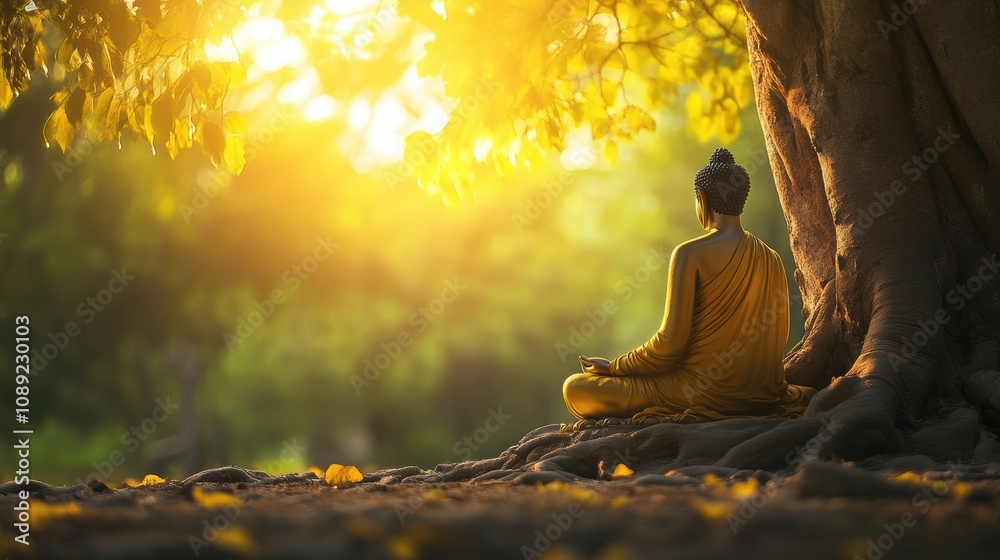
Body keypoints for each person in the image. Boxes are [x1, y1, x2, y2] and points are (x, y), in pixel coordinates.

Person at [563, 148, 816, 421]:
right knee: (814, 393)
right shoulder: (772, 258)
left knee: (576, 388)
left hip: (697, 391)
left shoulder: (690, 254)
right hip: (763, 395)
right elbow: (779, 337)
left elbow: (669, 347)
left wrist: (615, 367)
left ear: (702, 199)